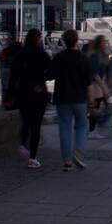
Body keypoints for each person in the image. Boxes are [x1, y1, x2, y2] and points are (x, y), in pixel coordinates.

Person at [47, 29, 91, 170]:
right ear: (77, 40)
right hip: (79, 97)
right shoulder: (83, 57)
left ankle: (66, 160)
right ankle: (78, 150)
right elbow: (88, 81)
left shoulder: (59, 57)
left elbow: (49, 75)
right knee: (82, 126)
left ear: (64, 41)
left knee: (65, 128)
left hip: (62, 97)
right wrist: (90, 99)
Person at [14, 29, 51, 168]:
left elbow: (14, 75)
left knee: (25, 121)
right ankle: (33, 157)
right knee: (36, 125)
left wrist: (10, 94)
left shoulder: (21, 55)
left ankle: (23, 145)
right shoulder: (43, 55)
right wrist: (41, 82)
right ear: (38, 39)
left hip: (23, 92)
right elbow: (51, 72)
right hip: (38, 92)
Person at [87, 35, 111, 138]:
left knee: (97, 108)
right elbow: (95, 73)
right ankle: (91, 130)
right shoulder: (94, 55)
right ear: (99, 43)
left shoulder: (101, 55)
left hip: (100, 83)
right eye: (103, 41)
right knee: (95, 109)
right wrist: (103, 88)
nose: (105, 43)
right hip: (95, 85)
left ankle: (92, 129)